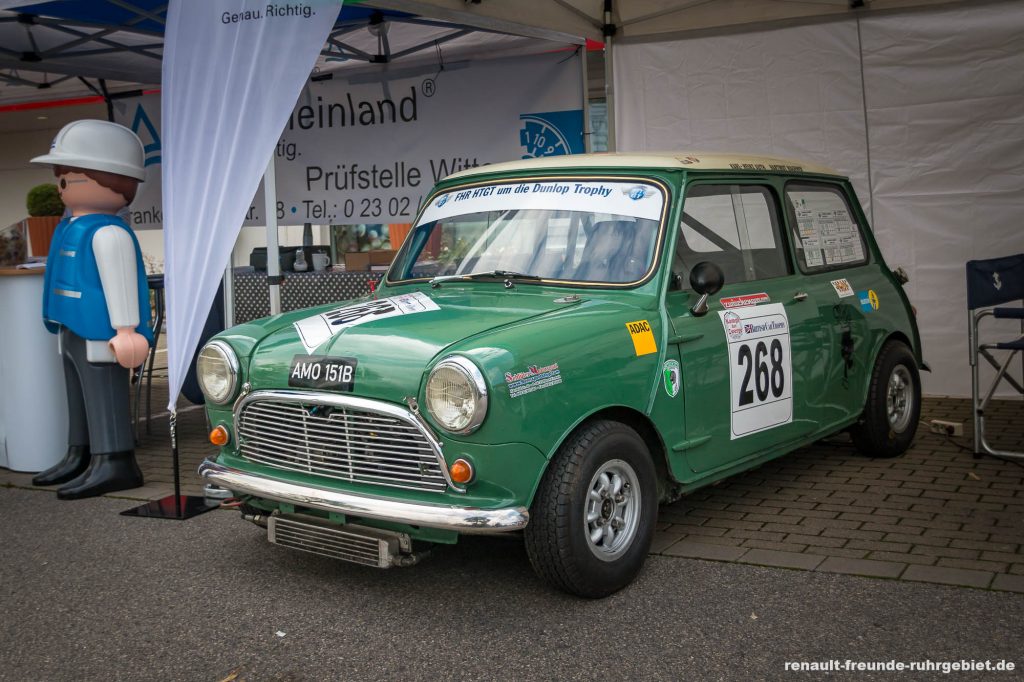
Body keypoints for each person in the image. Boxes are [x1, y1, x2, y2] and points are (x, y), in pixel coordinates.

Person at [29, 120, 153, 500]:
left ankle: (114, 460)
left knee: (103, 394)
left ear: (114, 180)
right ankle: (79, 452)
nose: (61, 186)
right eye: (60, 178)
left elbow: (122, 283)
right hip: (72, 326)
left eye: (70, 178)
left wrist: (127, 329)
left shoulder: (108, 232)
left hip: (101, 331)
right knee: (77, 393)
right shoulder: (72, 227)